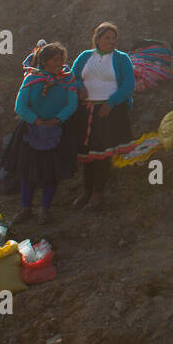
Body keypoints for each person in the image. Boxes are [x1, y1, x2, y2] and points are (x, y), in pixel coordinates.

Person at [2, 41, 79, 227]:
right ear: (44, 62)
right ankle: (26, 208)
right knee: (27, 172)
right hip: (31, 130)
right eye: (55, 59)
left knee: (52, 173)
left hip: (57, 131)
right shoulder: (31, 79)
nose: (60, 62)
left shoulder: (67, 79)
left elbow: (72, 103)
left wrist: (57, 119)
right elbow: (20, 106)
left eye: (61, 59)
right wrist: (37, 121)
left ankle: (45, 209)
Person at [70, 23, 135, 212]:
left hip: (109, 111)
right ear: (97, 39)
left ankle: (98, 193)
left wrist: (111, 102)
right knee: (87, 154)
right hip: (86, 111)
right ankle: (86, 190)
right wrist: (80, 87)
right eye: (107, 37)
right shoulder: (84, 56)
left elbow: (128, 85)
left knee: (102, 154)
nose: (111, 41)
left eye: (114, 38)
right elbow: (73, 75)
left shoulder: (121, 59)